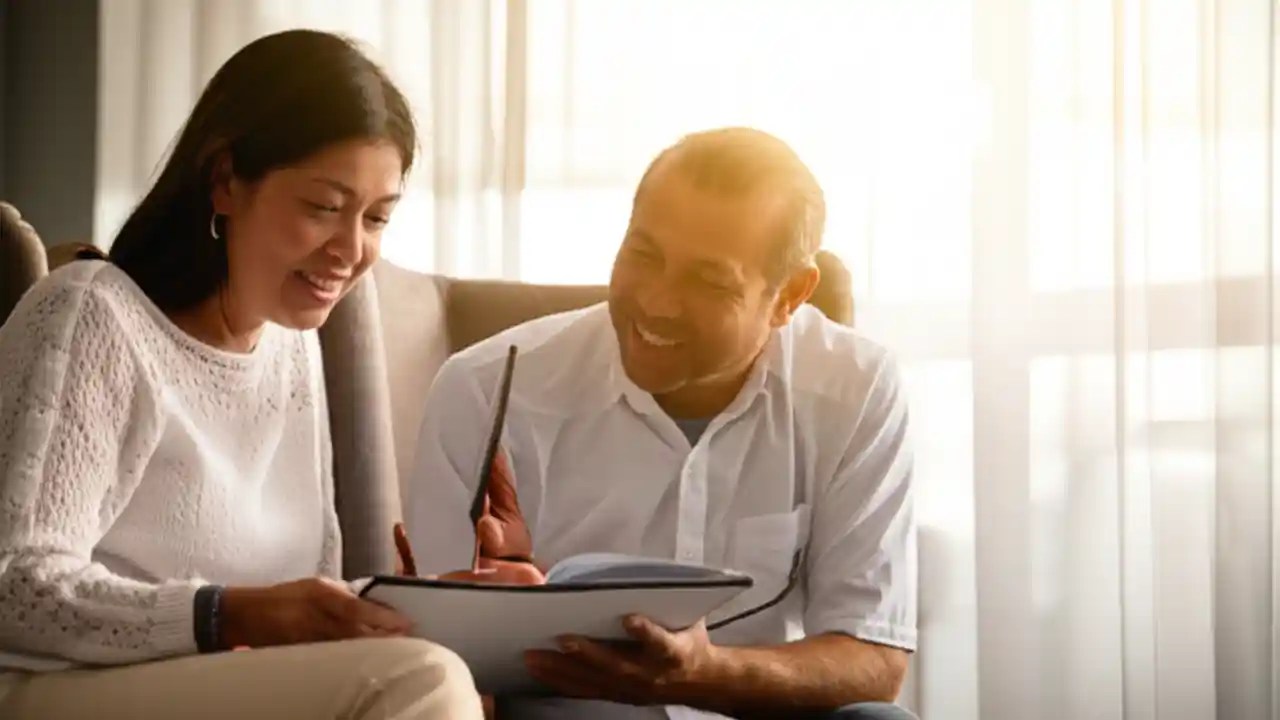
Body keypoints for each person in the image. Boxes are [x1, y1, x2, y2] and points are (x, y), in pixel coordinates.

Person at [0, 30, 483, 720]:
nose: (351, 249)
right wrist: (222, 616)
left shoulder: (290, 350)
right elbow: (14, 587)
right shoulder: (90, 315)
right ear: (225, 180)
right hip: (47, 690)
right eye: (324, 207)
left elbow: (299, 606)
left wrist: (443, 610)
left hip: (206, 685)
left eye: (376, 218)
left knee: (440, 658)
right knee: (419, 683)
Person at [406, 127, 917, 720]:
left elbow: (873, 662)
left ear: (791, 295)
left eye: (708, 281)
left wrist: (705, 675)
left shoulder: (857, 387)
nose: (657, 302)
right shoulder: (484, 387)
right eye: (643, 256)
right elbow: (437, 660)